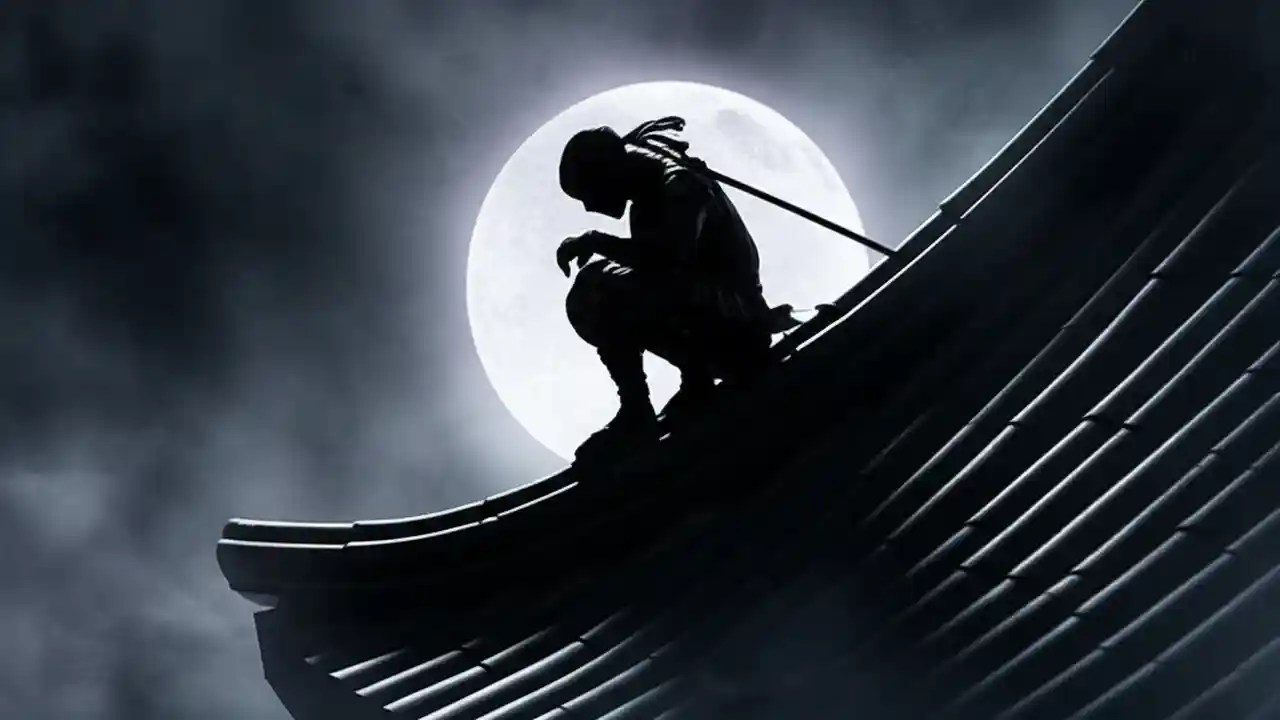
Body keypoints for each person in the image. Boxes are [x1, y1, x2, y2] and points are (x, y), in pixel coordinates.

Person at [556, 116, 794, 461]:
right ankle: (691, 381)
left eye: (587, 193)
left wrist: (595, 241)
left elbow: (668, 260)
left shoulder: (681, 187)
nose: (589, 207)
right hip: (712, 313)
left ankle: (640, 408)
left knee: (597, 282)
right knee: (599, 285)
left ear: (609, 173)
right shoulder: (645, 193)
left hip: (739, 324)